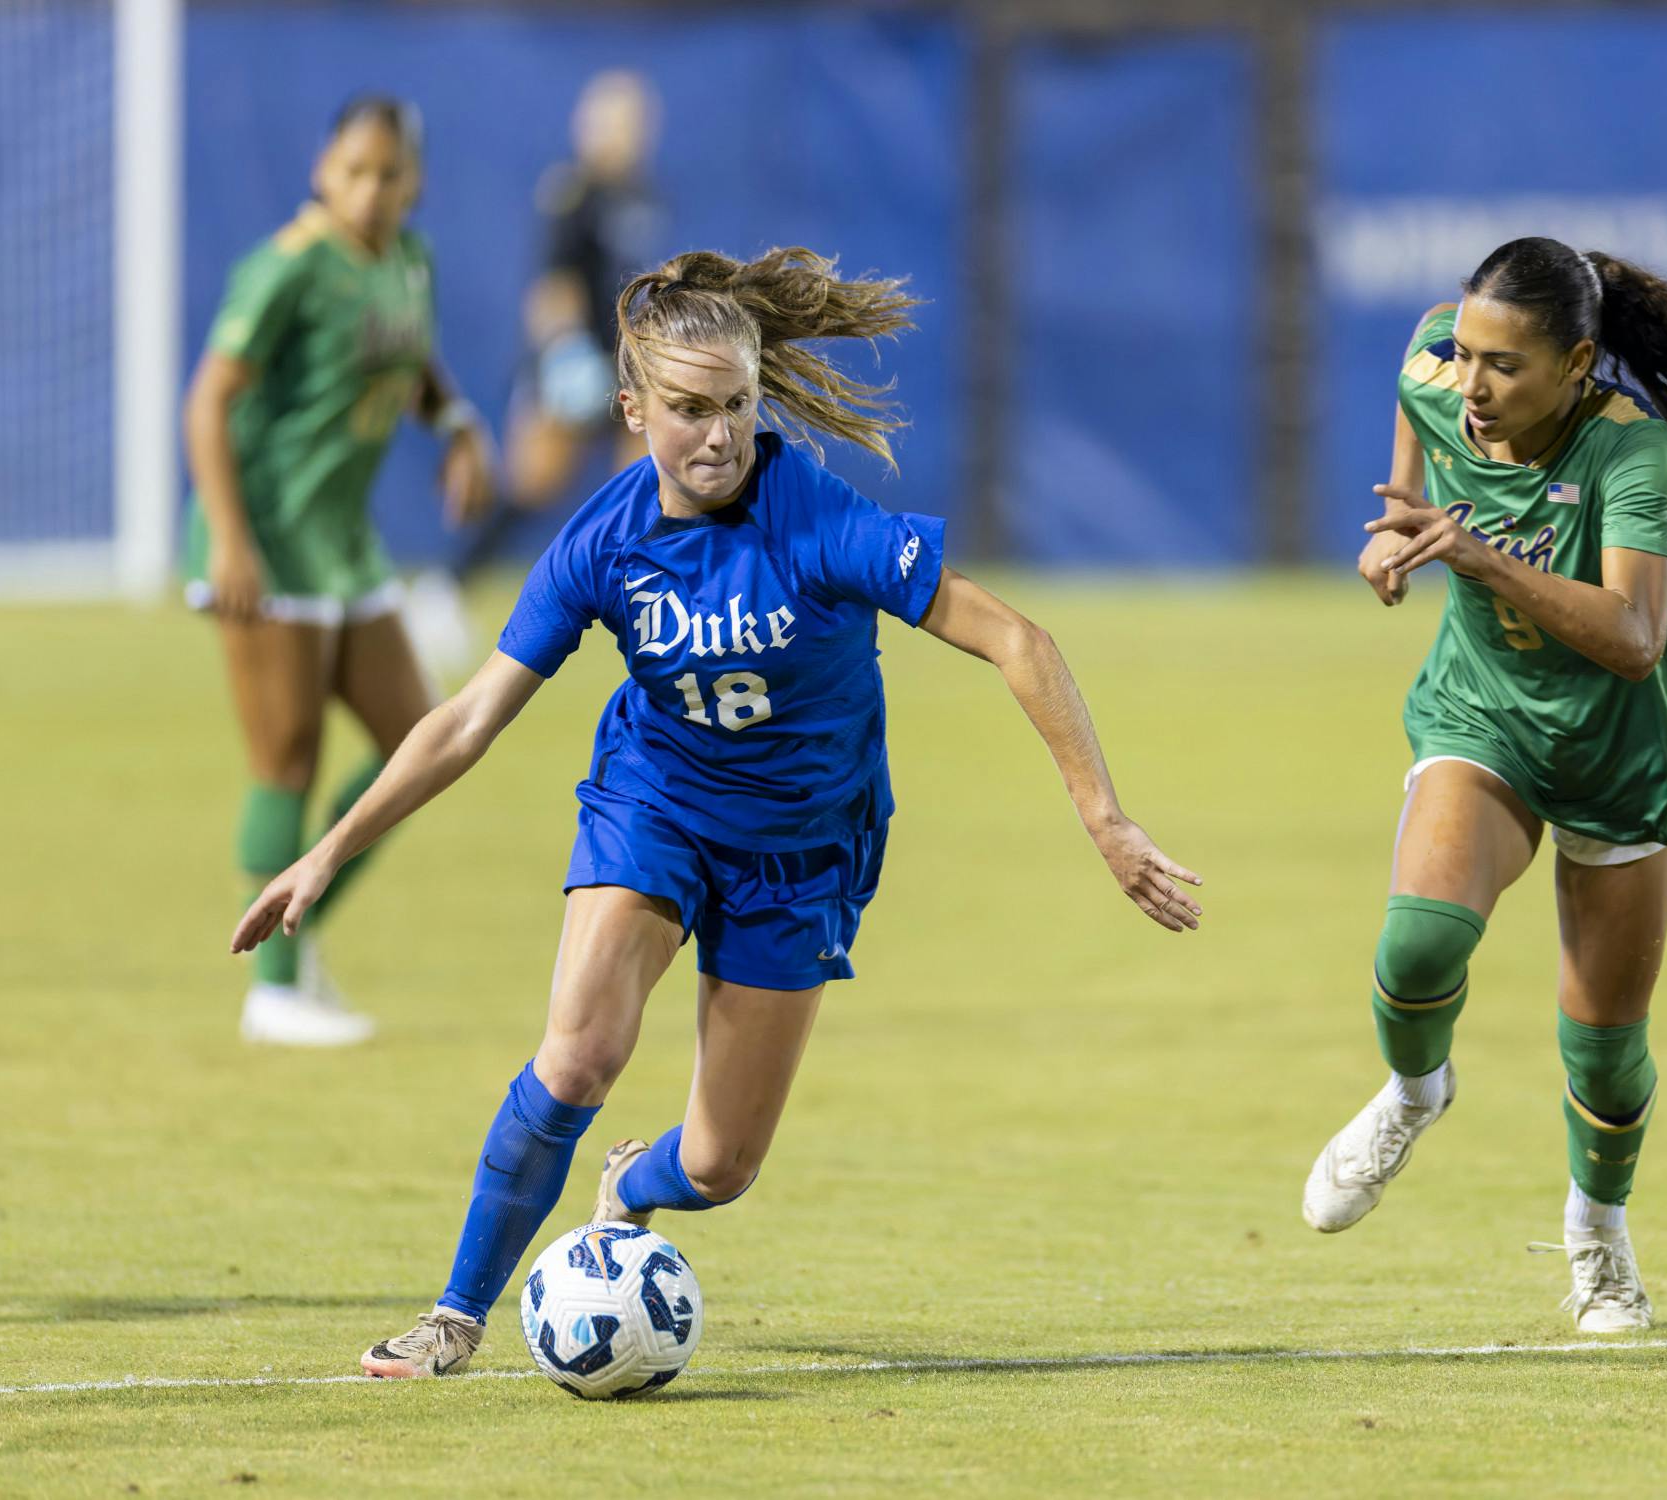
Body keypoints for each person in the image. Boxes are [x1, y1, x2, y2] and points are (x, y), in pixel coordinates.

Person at [230, 247, 1205, 1379]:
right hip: (655, 806)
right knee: (580, 1051)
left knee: (720, 1166)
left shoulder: (816, 520)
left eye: (736, 406)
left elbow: (1015, 639)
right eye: (688, 409)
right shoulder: (602, 541)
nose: (718, 435)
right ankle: (453, 1314)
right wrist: (327, 853)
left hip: (799, 852)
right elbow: (467, 719)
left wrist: (1104, 817)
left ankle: (626, 1189)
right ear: (633, 408)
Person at [1300, 237, 1667, 1331]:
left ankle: (1596, 1238)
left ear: (1577, 361)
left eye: (1506, 366)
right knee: (1418, 944)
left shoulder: (1627, 450)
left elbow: (1631, 637)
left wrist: (1475, 556)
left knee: (1605, 1049)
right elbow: (1405, 492)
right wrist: (1388, 546)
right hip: (1481, 715)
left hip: (1617, 749)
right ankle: (1412, 1092)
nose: (1473, 386)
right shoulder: (1433, 361)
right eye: (1468, 355)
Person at [184, 96, 495, 1047]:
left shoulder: (409, 261)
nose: (368, 190)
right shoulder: (287, 269)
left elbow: (413, 359)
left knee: (420, 739)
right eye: (353, 171)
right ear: (324, 169)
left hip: (342, 542)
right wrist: (232, 540)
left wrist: (454, 425)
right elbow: (209, 402)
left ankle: (297, 926)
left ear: (415, 181)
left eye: (387, 174)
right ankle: (273, 988)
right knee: (287, 759)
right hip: (269, 539)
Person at [405, 72, 665, 670]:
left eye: (635, 120)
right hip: (574, 369)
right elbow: (553, 286)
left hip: (632, 369)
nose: (625, 134)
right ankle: (443, 588)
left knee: (655, 485)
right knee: (532, 487)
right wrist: (564, 353)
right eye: (613, 120)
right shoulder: (574, 194)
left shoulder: (647, 195)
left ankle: (655, 610)